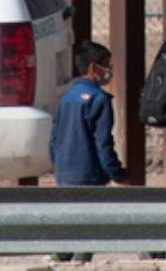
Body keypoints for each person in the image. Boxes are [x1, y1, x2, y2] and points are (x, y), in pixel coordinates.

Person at [50, 40, 128, 263]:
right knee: (87, 229)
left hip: (65, 174)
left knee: (69, 224)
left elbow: (53, 141)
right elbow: (103, 144)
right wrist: (117, 174)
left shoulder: (66, 98)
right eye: (106, 65)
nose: (110, 70)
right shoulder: (99, 100)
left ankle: (60, 256)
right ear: (94, 68)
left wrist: (60, 168)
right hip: (89, 175)